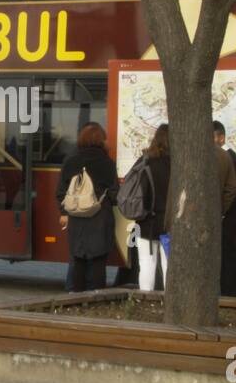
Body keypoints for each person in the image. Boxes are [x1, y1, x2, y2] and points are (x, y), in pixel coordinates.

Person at [56, 122, 118, 292]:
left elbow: (60, 192)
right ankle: (96, 299)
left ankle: (76, 297)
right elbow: (114, 195)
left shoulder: (70, 161)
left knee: (78, 260)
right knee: (98, 263)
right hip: (100, 219)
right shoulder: (108, 164)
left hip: (77, 220)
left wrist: (65, 211)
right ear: (101, 141)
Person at [133, 125, 171, 291]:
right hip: (170, 223)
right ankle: (170, 301)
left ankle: (145, 299)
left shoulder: (145, 160)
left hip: (146, 221)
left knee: (146, 264)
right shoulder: (178, 163)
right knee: (169, 264)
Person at [214, 120, 236, 296]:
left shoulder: (229, 158)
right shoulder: (227, 157)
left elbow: (233, 190)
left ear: (222, 138)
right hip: (224, 216)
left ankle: (229, 293)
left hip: (226, 218)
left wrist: (221, 211)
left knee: (227, 257)